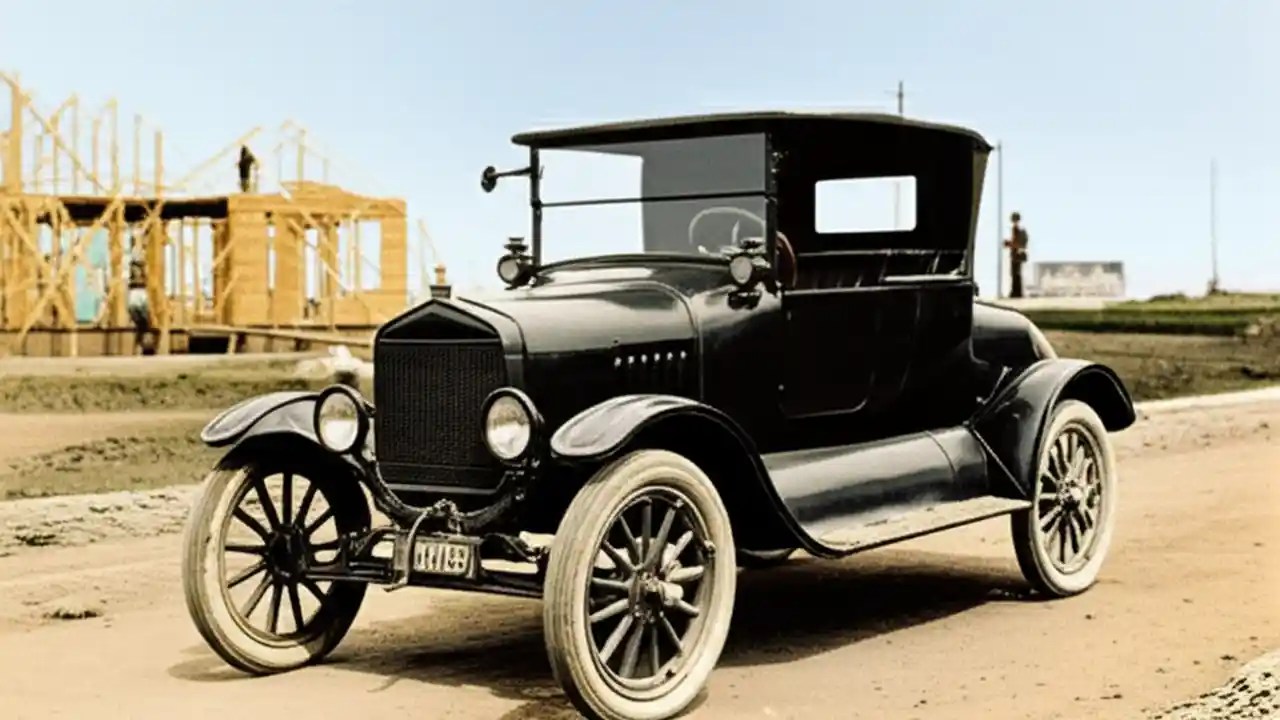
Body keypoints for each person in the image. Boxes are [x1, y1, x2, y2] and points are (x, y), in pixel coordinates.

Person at [1004, 211, 1030, 298]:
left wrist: (1008, 244)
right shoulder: (1016, 229)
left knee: (1015, 273)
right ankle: (1016, 292)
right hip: (1016, 253)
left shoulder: (1016, 229)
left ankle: (1016, 292)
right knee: (1015, 273)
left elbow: (1016, 242)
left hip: (1016, 253)